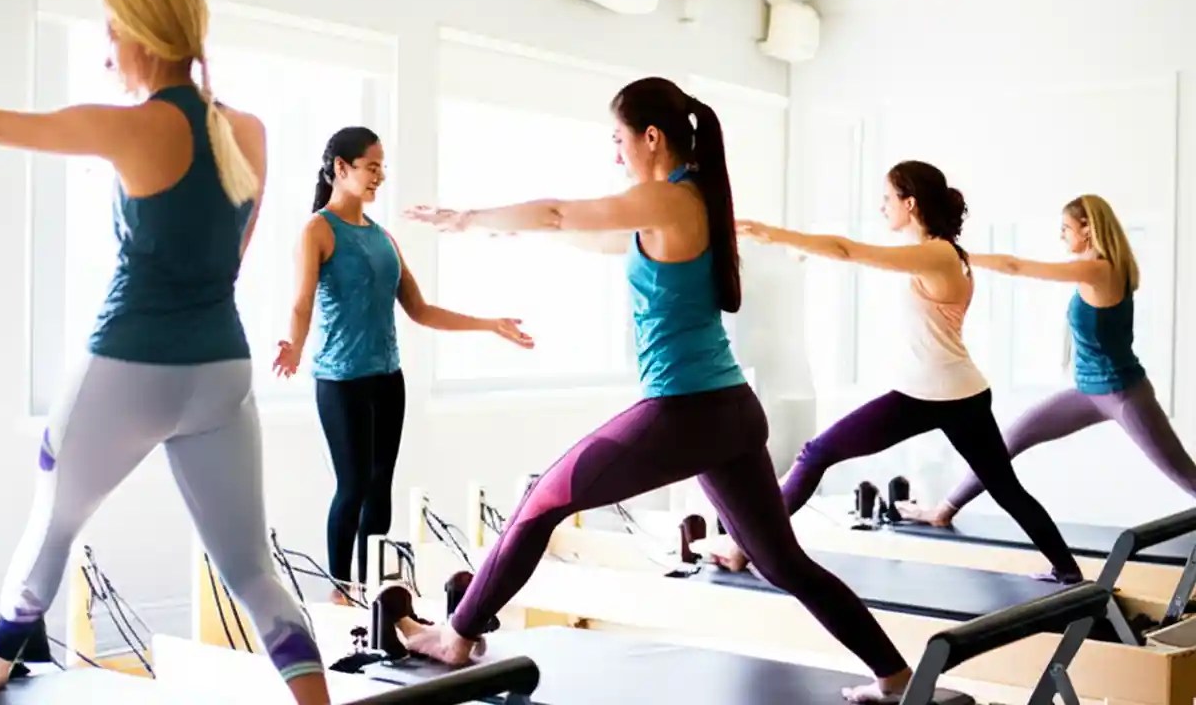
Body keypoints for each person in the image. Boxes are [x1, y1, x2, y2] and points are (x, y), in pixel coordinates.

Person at [401, 76, 914, 702]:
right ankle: (895, 674)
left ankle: (457, 635)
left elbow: (564, 210)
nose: (615, 153)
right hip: (729, 412)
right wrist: (506, 230)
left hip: (686, 411)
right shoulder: (687, 201)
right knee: (782, 561)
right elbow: (583, 231)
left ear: (651, 137)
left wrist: (467, 217)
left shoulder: (667, 200)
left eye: (619, 139)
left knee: (541, 501)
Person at [0, 0, 329, 703]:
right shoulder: (250, 132)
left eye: (112, 34)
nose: (108, 55)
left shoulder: (133, 128)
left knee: (52, 525)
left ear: (141, 34)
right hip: (222, 376)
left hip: (130, 366)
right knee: (252, 570)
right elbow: (230, 257)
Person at [732, 161, 1083, 585]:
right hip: (960, 393)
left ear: (910, 203)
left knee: (816, 453)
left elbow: (849, 251)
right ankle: (1067, 568)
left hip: (927, 396)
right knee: (1006, 488)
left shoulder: (935, 253)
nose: (882, 207)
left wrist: (776, 233)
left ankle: (742, 548)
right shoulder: (948, 253)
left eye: (887, 199)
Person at [272, 126, 533, 597]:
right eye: (372, 167)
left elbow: (421, 310)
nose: (380, 177)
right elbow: (301, 302)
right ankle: (339, 587)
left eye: (381, 167)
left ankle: (374, 590)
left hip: (388, 380)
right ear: (341, 169)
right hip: (341, 381)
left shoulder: (383, 238)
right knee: (351, 487)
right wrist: (292, 343)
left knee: (380, 491)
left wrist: (489, 324)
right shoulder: (317, 230)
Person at [898, 194, 1196, 527]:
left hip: (1124, 395)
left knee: (1184, 474)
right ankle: (943, 511)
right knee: (1008, 440)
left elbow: (1016, 266)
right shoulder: (1100, 268)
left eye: (1066, 228)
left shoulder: (1099, 270)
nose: (1062, 236)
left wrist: (959, 257)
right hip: (1087, 393)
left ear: (1087, 229)